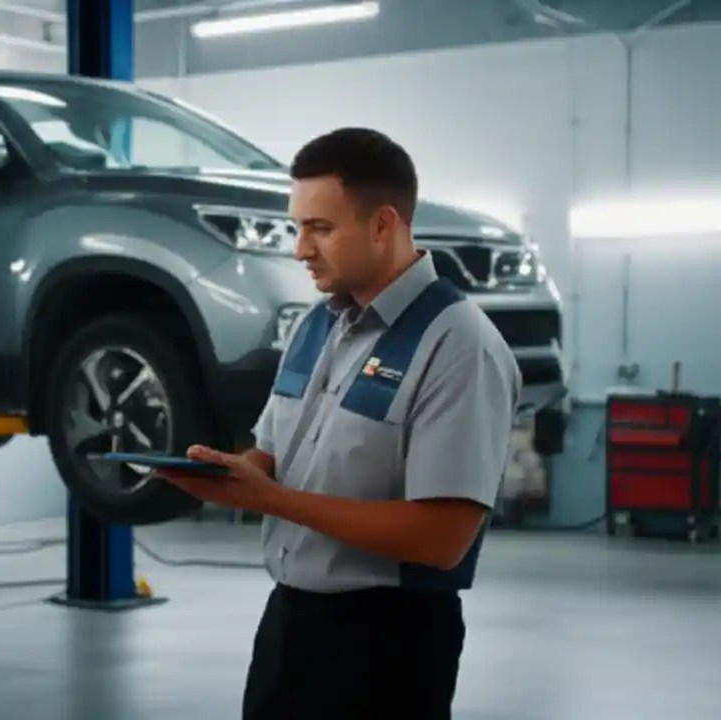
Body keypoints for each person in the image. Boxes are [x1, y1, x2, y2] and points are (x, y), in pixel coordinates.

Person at [160, 127, 520, 719]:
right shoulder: (316, 326)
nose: (300, 249)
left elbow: (442, 539)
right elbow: (271, 455)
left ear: (383, 225)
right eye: (298, 227)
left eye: (320, 229)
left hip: (388, 646)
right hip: (290, 625)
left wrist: (273, 500)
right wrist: (229, 474)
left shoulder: (459, 345)